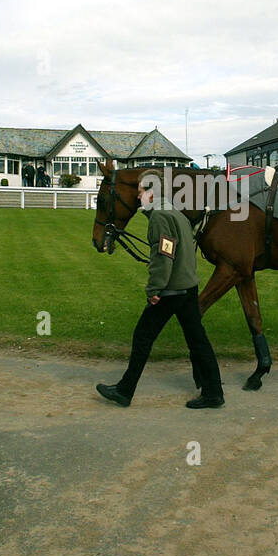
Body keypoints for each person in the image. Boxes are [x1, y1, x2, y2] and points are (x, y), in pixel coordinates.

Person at [96, 170, 224, 410]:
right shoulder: (176, 213)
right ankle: (213, 392)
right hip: (188, 288)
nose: (138, 196)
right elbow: (181, 251)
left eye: (142, 192)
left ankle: (124, 391)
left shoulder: (159, 217)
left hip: (170, 292)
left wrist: (155, 288)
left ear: (152, 194)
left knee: (143, 336)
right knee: (198, 341)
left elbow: (164, 256)